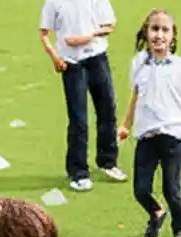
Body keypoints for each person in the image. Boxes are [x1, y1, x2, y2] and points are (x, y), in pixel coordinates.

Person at [118, 8, 181, 237]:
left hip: (173, 136)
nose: (159, 35)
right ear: (146, 32)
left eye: (165, 30)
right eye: (155, 29)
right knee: (140, 189)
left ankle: (180, 230)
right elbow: (136, 97)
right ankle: (156, 213)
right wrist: (125, 124)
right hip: (146, 137)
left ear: (173, 36)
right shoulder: (139, 65)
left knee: (171, 189)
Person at [40, 0, 129, 191]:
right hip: (72, 64)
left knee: (107, 109)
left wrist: (90, 36)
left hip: (97, 59)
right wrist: (55, 57)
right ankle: (78, 171)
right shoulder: (54, 2)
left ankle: (108, 161)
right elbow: (45, 34)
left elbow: (110, 25)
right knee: (79, 118)